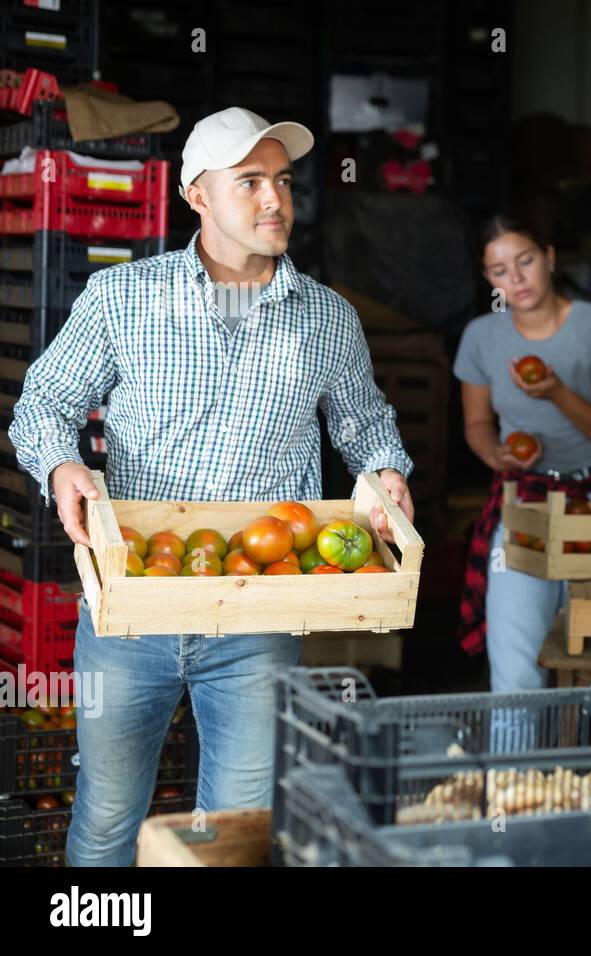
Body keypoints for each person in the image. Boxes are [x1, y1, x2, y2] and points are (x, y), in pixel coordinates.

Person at [9, 107, 415, 865]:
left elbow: (366, 427)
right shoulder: (123, 300)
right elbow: (45, 403)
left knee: (236, 829)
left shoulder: (327, 319)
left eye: (284, 182)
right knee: (106, 821)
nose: (275, 200)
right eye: (251, 181)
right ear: (197, 195)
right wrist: (62, 466)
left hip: (260, 615)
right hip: (134, 603)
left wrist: (385, 468)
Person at [455, 216, 591, 692]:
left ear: (550, 257)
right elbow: (476, 425)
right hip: (524, 502)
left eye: (526, 261)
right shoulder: (481, 337)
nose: (515, 279)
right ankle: (515, 769)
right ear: (487, 279)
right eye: (498, 271)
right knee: (516, 667)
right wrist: (496, 456)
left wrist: (557, 393)